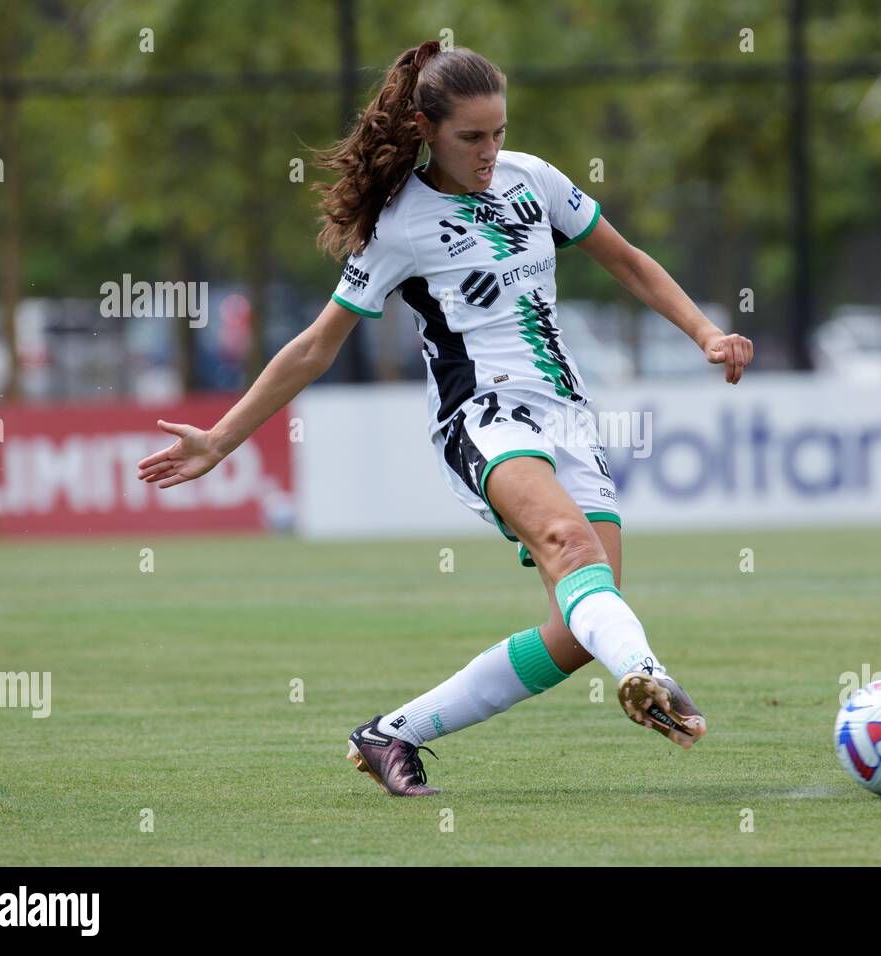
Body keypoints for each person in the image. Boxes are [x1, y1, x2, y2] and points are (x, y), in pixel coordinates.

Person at [135, 40, 754, 797]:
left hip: (567, 416)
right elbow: (314, 347)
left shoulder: (537, 181)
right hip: (481, 415)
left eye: (498, 132)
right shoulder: (400, 226)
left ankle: (394, 733)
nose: (490, 151)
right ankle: (649, 673)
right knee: (570, 546)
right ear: (427, 128)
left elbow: (627, 260)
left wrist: (705, 333)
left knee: (580, 627)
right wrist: (223, 437)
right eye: (472, 137)